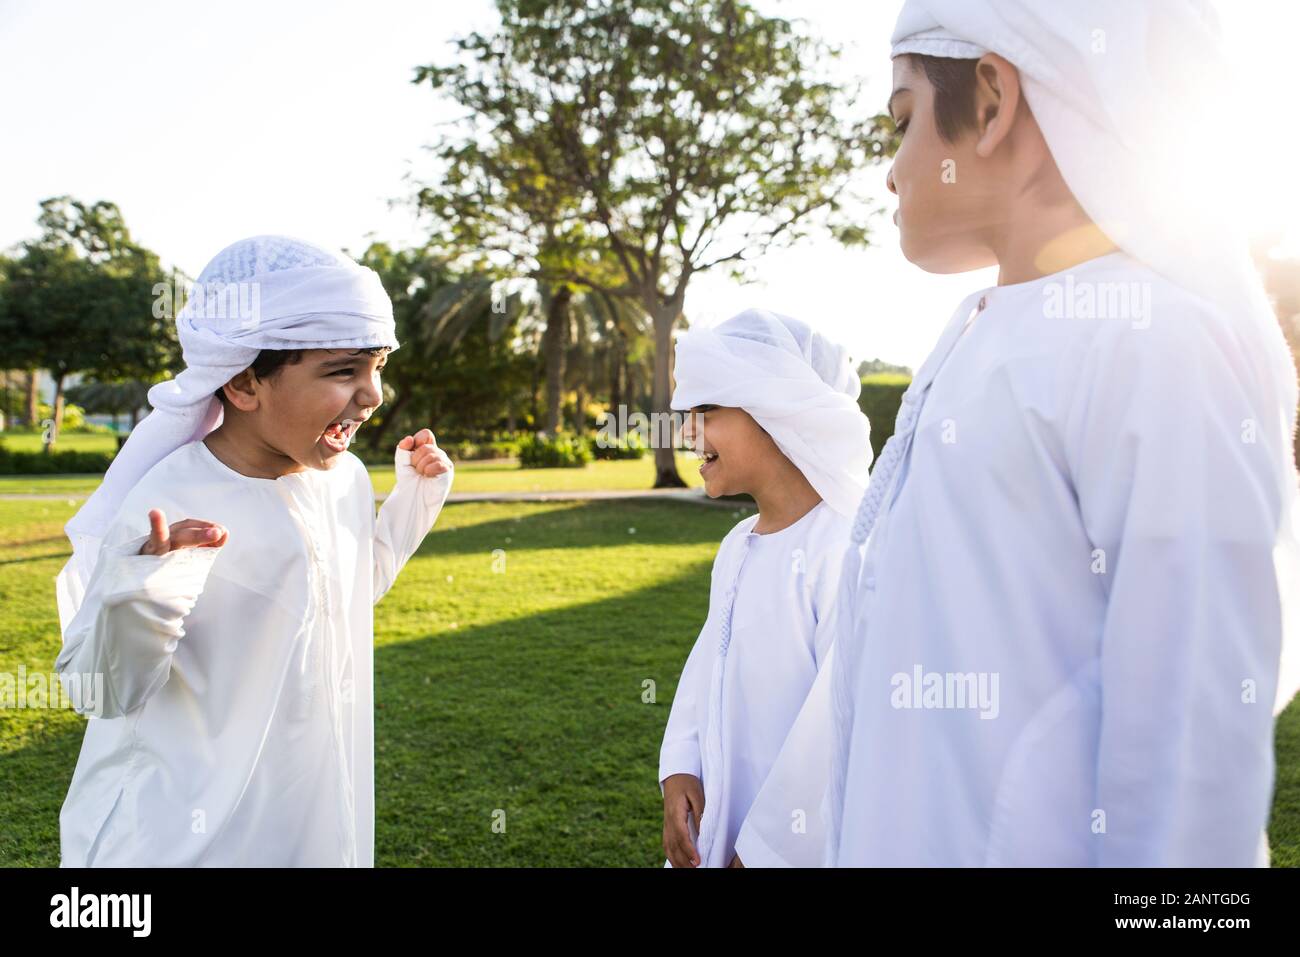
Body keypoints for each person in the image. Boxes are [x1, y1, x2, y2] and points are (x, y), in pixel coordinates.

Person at [826, 0, 1300, 866]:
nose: (891, 171)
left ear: (995, 100)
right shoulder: (970, 337)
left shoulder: (1155, 344)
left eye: (902, 122)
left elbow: (1190, 764)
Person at [53, 235, 454, 866]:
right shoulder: (168, 498)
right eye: (344, 370)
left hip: (312, 817)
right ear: (243, 382)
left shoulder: (341, 480)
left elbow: (345, 594)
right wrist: (143, 595)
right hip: (181, 839)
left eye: (378, 366)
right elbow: (101, 692)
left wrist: (411, 504)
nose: (373, 394)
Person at [658, 308, 873, 867]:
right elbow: (709, 661)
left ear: (779, 411)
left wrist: (764, 851)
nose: (688, 432)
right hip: (718, 830)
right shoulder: (736, 546)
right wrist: (681, 763)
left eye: (707, 409)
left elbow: (834, 728)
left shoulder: (847, 552)